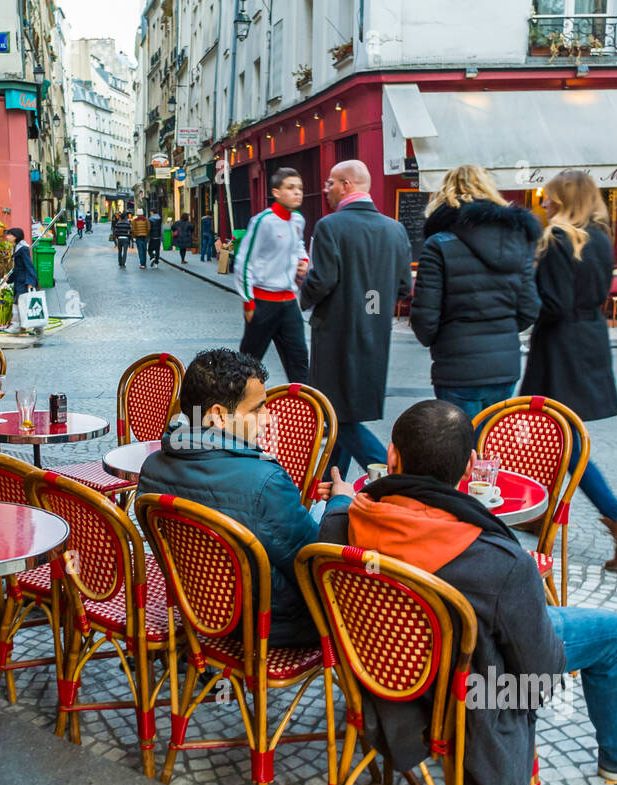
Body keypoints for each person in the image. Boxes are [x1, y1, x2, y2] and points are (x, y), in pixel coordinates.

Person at [323, 400, 617, 785]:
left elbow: (334, 519)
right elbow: (541, 669)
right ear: (469, 469)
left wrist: (339, 498)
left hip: (377, 672)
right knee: (609, 631)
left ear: (390, 456)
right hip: (457, 692)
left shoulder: (342, 525)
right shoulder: (501, 562)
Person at [137, 349, 355, 648]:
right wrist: (341, 504)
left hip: (195, 607)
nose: (268, 419)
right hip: (268, 625)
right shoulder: (264, 483)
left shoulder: (152, 468)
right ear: (217, 417)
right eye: (257, 409)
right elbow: (317, 566)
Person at [520, 170, 617, 570]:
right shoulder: (600, 237)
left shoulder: (560, 238)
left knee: (563, 437)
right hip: (588, 338)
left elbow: (553, 303)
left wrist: (524, 298)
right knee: (554, 434)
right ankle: (543, 509)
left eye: (550, 197)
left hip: (561, 347)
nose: (544, 203)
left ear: (565, 200)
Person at [299, 159, 412, 478]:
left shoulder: (330, 226)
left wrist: (304, 284)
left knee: (335, 416)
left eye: (330, 183)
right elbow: (404, 286)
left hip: (336, 334)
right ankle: (327, 485)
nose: (326, 190)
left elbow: (322, 281)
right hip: (375, 334)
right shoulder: (395, 229)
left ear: (347, 185)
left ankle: (395, 478)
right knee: (341, 413)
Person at [410, 165, 541, 420]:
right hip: (504, 365)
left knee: (461, 449)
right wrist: (500, 331)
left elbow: (425, 316)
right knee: (491, 447)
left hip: (457, 366)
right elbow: (529, 307)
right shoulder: (517, 240)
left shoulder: (439, 243)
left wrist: (440, 340)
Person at [234, 167, 310, 385]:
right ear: (276, 192)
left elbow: (299, 246)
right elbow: (244, 261)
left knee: (299, 360)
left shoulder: (298, 220)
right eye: (290, 188)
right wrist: (248, 301)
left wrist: (303, 261)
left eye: (300, 188)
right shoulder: (263, 221)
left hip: (288, 302)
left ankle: (306, 413)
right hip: (263, 302)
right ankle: (236, 407)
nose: (297, 192)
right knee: (248, 363)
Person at [4, 226, 39, 334]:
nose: (7, 237)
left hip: (24, 282)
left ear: (15, 237)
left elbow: (29, 266)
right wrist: (9, 279)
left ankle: (16, 326)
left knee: (19, 304)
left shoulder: (22, 249)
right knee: (28, 305)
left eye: (9, 235)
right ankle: (34, 328)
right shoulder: (17, 248)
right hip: (20, 281)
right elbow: (18, 268)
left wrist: (30, 282)